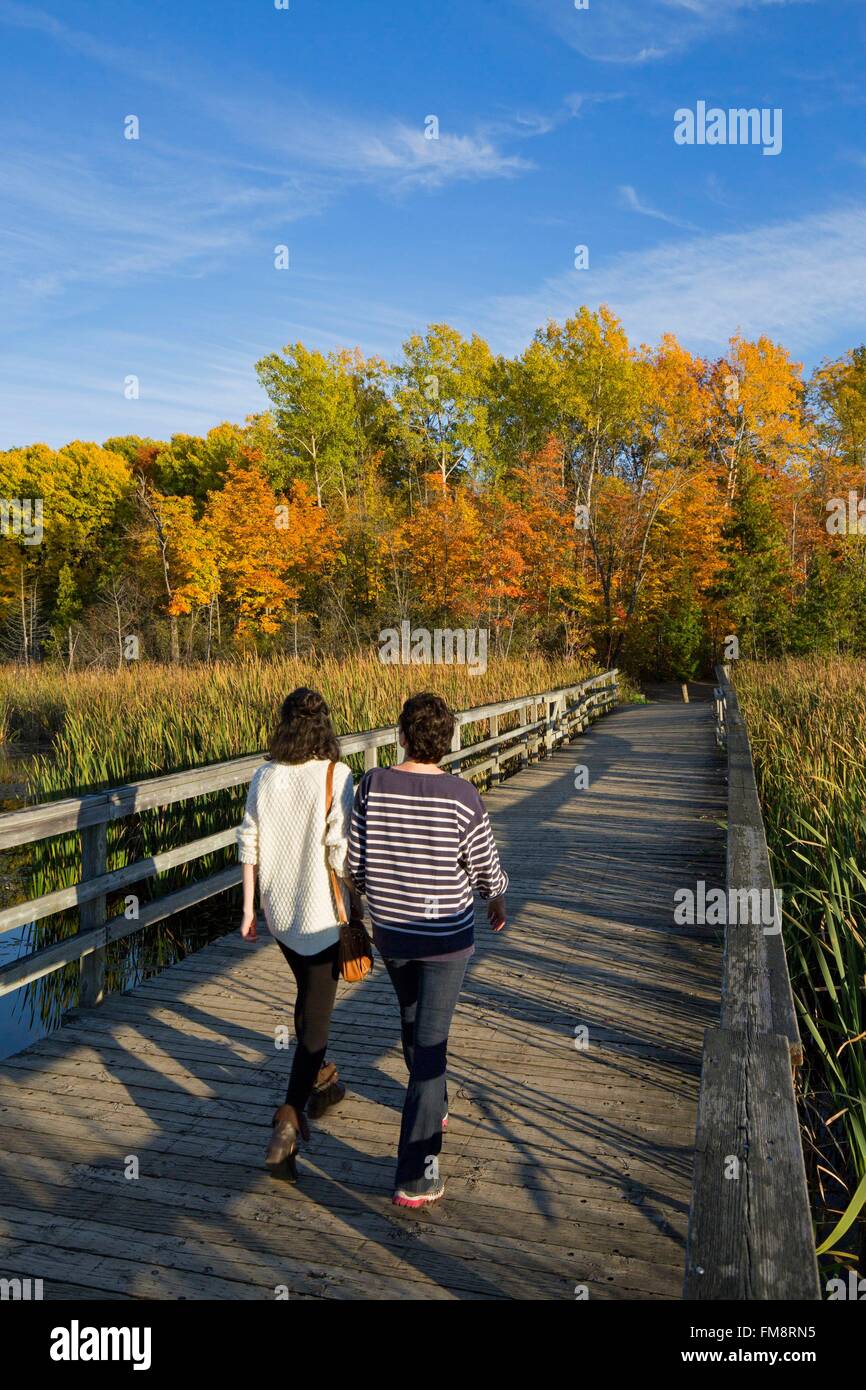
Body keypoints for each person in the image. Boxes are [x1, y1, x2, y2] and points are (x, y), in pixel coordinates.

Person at [347, 691, 508, 1208]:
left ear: (401, 735)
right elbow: (484, 865)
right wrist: (496, 898)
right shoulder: (463, 795)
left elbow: (354, 861)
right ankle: (416, 1176)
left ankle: (433, 1101)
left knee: (415, 1022)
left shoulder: (373, 785)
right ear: (447, 741)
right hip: (445, 940)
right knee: (431, 1047)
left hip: (392, 933)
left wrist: (370, 901)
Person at [238, 687, 356, 1178]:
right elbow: (341, 855)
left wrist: (248, 911)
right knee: (316, 1022)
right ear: (324, 726)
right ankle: (288, 1116)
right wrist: (363, 905)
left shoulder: (263, 776)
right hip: (323, 917)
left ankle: (324, 1081)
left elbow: (250, 843)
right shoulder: (337, 775)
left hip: (280, 914)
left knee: (309, 997)